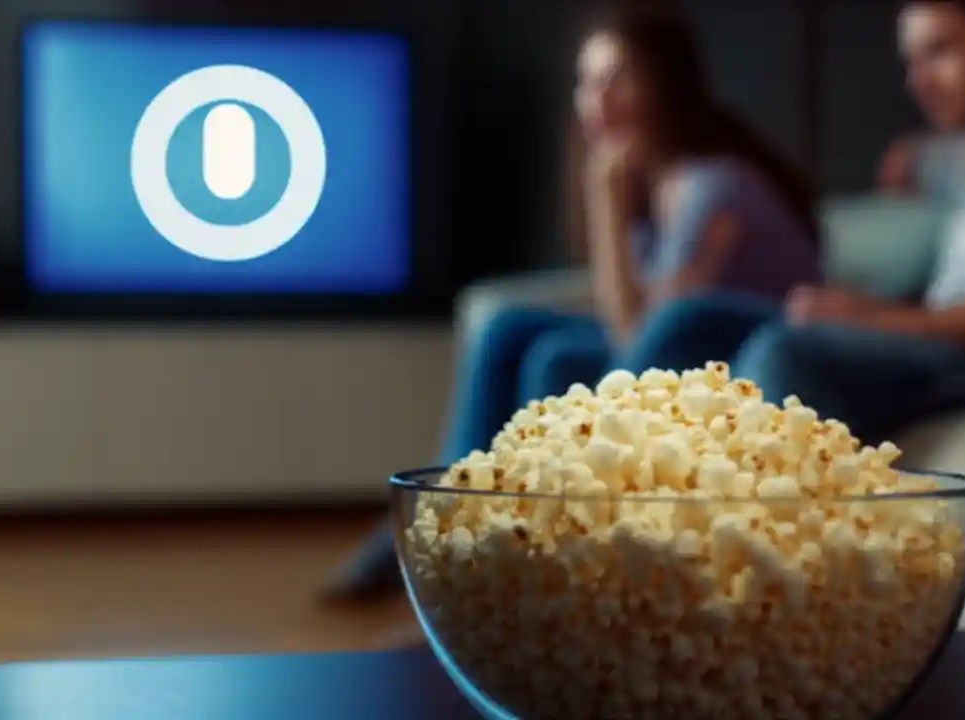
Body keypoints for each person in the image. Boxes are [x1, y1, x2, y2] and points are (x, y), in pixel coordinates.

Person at [325, 5, 822, 600]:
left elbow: (642, 335)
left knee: (562, 358)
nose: (599, 100)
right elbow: (634, 329)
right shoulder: (654, 186)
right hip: (673, 347)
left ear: (667, 86)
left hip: (740, 357)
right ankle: (461, 523)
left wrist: (604, 203)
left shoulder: (715, 189)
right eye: (587, 82)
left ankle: (487, 542)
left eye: (621, 78)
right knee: (521, 335)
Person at [726, 0, 965, 441]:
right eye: (911, 62)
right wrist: (913, 155)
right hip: (941, 341)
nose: (919, 82)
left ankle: (754, 505)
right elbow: (910, 160)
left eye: (940, 51)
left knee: (787, 352)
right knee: (704, 323)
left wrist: (875, 316)